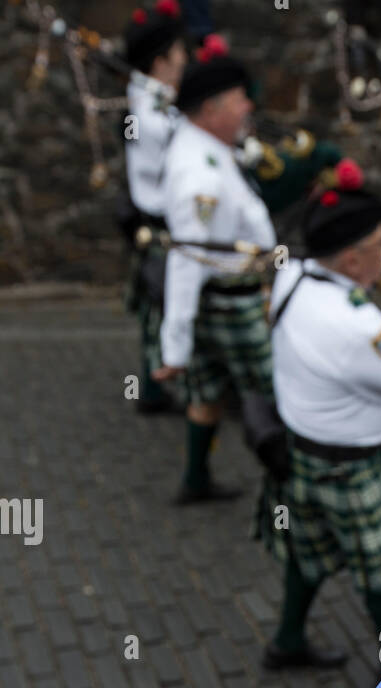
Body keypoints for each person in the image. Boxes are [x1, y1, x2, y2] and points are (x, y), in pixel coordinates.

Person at [261, 161, 381, 669]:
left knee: (308, 551)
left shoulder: (291, 276)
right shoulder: (361, 326)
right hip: (352, 470)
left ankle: (288, 641)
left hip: (299, 455)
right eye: (380, 244)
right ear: (349, 258)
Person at [152, 38, 277, 503]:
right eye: (240, 99)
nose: (249, 107)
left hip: (223, 298)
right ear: (210, 108)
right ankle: (292, 491)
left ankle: (196, 481)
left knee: (208, 395)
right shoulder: (197, 173)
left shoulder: (208, 147)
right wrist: (175, 347)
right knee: (281, 391)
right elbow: (187, 259)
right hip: (231, 302)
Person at [122, 0, 187, 414]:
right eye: (179, 51)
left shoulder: (151, 97)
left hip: (157, 217)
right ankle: (153, 387)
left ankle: (153, 384)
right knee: (160, 304)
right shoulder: (151, 110)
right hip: (158, 219)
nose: (186, 59)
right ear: (161, 60)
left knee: (157, 304)